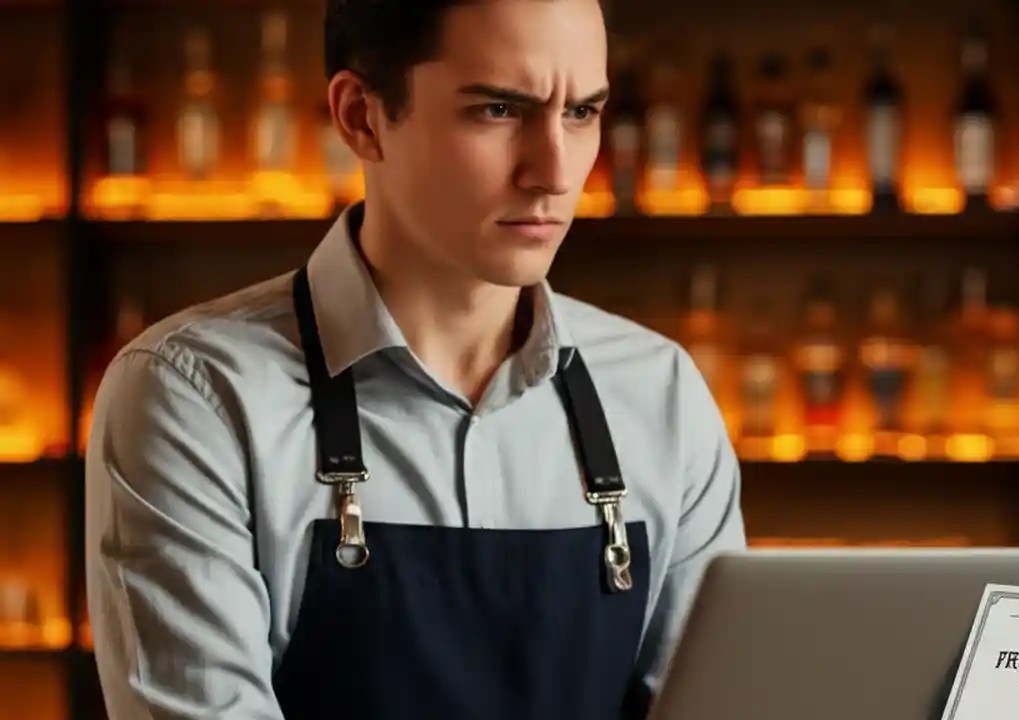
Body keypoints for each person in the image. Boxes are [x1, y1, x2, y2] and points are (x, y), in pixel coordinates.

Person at [83, 1, 745, 717]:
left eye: (581, 112)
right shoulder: (196, 396)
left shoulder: (661, 395)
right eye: (499, 109)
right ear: (361, 118)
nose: (554, 172)